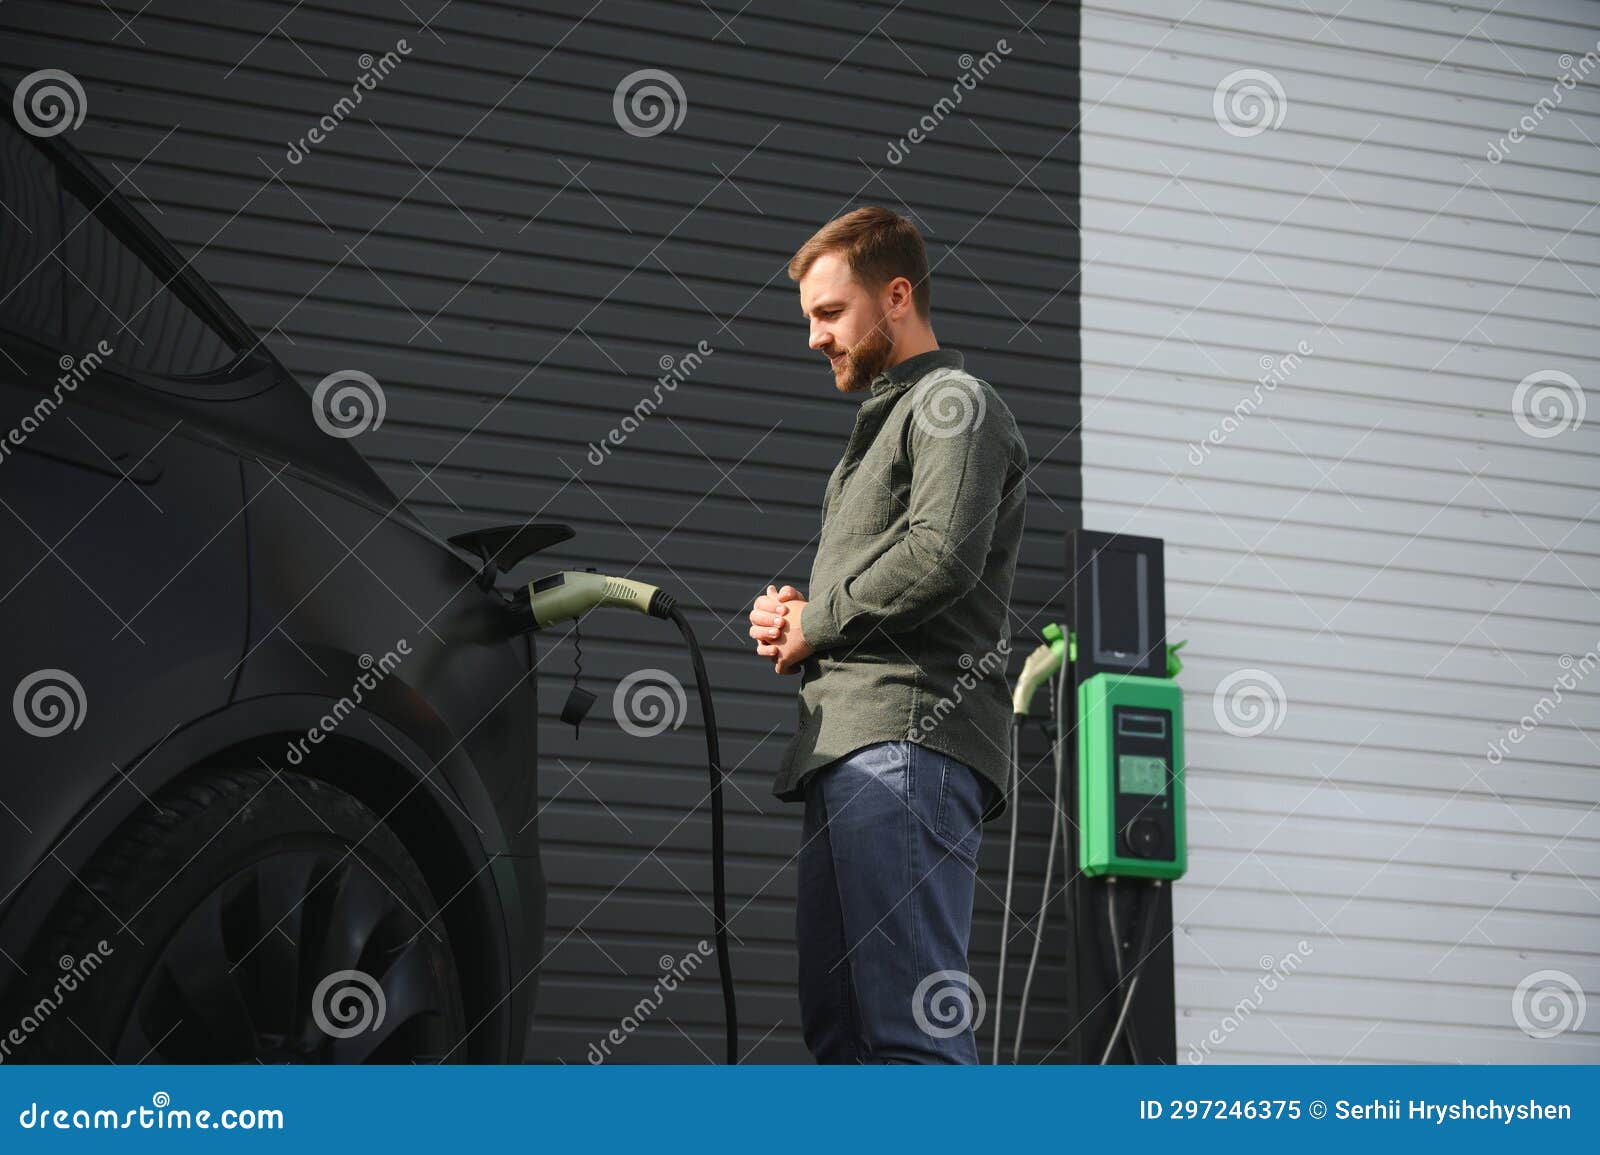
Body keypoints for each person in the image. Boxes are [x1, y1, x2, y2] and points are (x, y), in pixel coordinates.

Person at [746, 205, 1029, 1063]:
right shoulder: (886, 424)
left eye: (831, 312)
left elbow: (940, 555)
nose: (815, 337)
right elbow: (894, 574)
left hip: (909, 745)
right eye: (811, 317)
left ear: (897, 296)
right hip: (856, 750)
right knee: (845, 1038)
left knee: (908, 1033)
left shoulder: (952, 403)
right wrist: (799, 615)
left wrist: (817, 620)